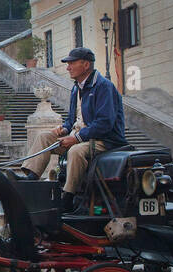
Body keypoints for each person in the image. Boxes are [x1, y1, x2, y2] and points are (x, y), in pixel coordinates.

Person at [52, 47, 127, 213]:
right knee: (46, 138)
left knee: (76, 151)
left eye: (72, 63)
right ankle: (31, 176)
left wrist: (77, 138)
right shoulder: (76, 88)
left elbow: (105, 124)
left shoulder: (103, 87)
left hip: (105, 140)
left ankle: (68, 197)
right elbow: (72, 119)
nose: (68, 67)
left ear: (86, 65)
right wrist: (64, 128)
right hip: (81, 135)